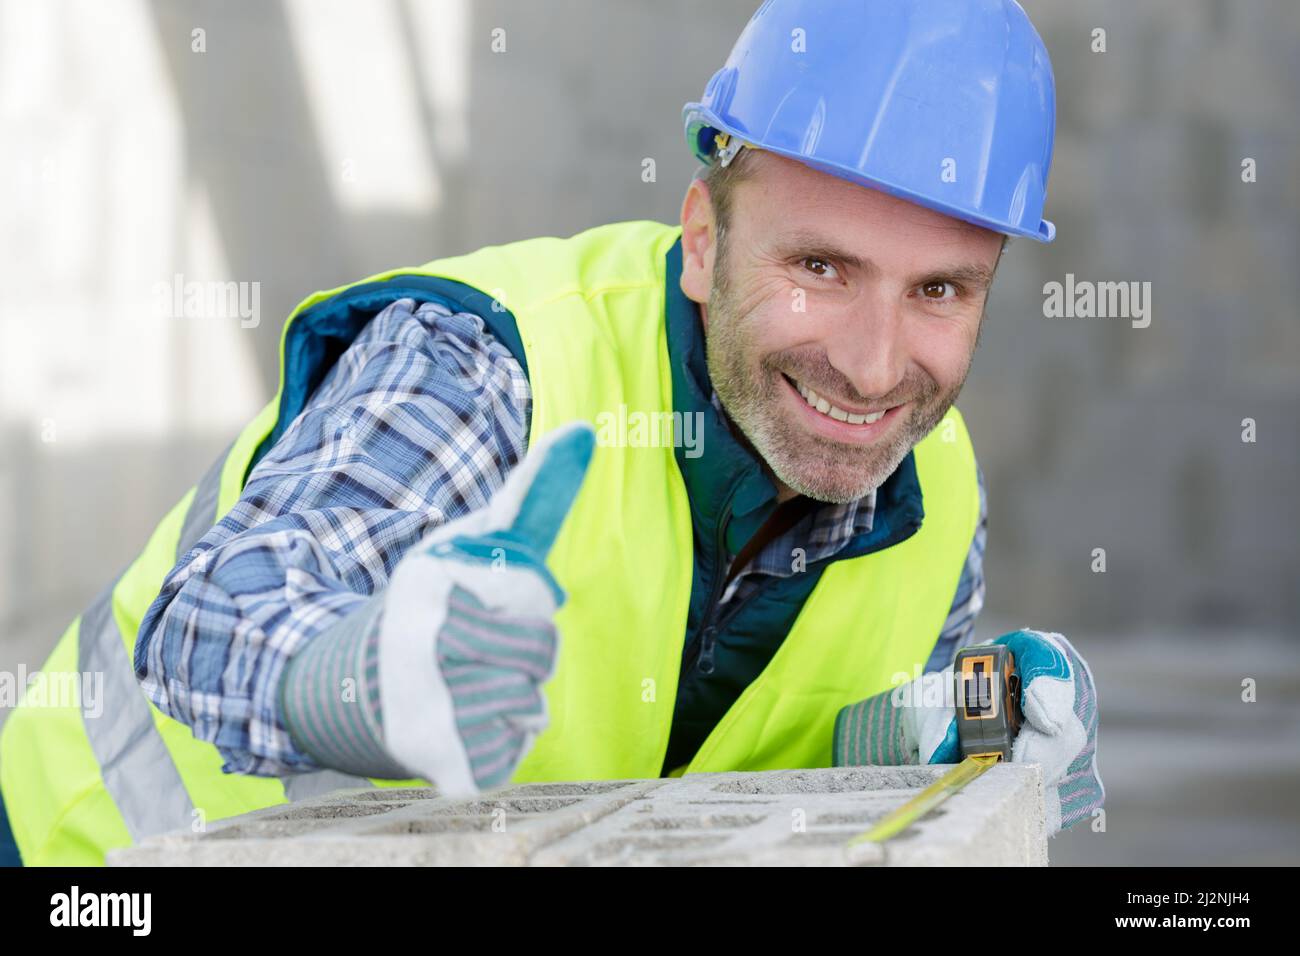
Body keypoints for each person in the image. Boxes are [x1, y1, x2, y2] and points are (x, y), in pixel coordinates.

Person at [0, 0, 1101, 866]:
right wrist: (357, 679)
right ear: (705, 240)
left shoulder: (936, 484)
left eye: (941, 291)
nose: (872, 364)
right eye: (819, 267)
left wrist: (934, 738)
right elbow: (214, 613)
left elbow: (749, 758)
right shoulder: (493, 364)